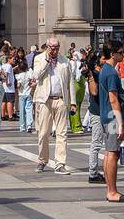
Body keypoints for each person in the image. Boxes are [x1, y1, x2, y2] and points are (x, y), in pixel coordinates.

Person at [32, 37, 77, 175]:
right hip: (45, 100)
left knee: (62, 133)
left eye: (57, 47)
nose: (54, 50)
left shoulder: (64, 61)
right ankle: (42, 159)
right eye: (52, 47)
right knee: (43, 132)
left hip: (61, 100)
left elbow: (70, 82)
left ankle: (60, 163)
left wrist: (73, 102)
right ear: (47, 47)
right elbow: (37, 76)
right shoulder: (39, 59)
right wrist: (47, 61)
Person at [99, 43, 124, 204]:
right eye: (121, 53)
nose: (123, 55)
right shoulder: (111, 73)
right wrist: (120, 123)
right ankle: (112, 191)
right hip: (113, 117)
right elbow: (113, 98)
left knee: (108, 152)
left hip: (106, 115)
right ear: (113, 54)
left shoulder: (105, 70)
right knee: (113, 153)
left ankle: (110, 189)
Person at [85, 47, 108, 182]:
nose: (106, 60)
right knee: (97, 142)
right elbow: (94, 92)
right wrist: (90, 76)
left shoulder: (104, 73)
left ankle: (103, 171)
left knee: (110, 143)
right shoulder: (94, 74)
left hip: (107, 113)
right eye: (104, 58)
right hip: (97, 113)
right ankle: (93, 173)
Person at [15, 55, 34, 133]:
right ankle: (29, 125)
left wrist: (18, 87)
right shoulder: (29, 74)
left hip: (22, 94)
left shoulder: (19, 76)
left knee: (22, 111)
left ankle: (22, 126)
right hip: (29, 94)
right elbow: (32, 81)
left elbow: (19, 85)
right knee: (29, 110)